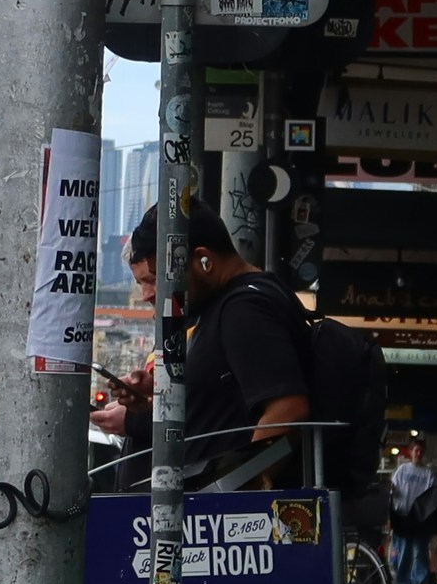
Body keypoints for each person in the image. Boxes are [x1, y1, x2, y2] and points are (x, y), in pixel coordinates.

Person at [109, 203, 314, 485]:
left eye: (158, 279)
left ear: (204, 260)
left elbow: (288, 409)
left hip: (228, 519)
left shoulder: (244, 308)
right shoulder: (225, 307)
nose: (148, 295)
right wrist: (157, 397)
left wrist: (238, 495)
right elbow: (222, 410)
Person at [388, 440, 437, 584]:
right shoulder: (402, 470)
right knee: (405, 551)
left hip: (420, 517)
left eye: (421, 451)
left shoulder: (428, 473)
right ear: (410, 452)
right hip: (404, 515)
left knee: (421, 551)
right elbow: (394, 490)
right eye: (416, 450)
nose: (418, 454)